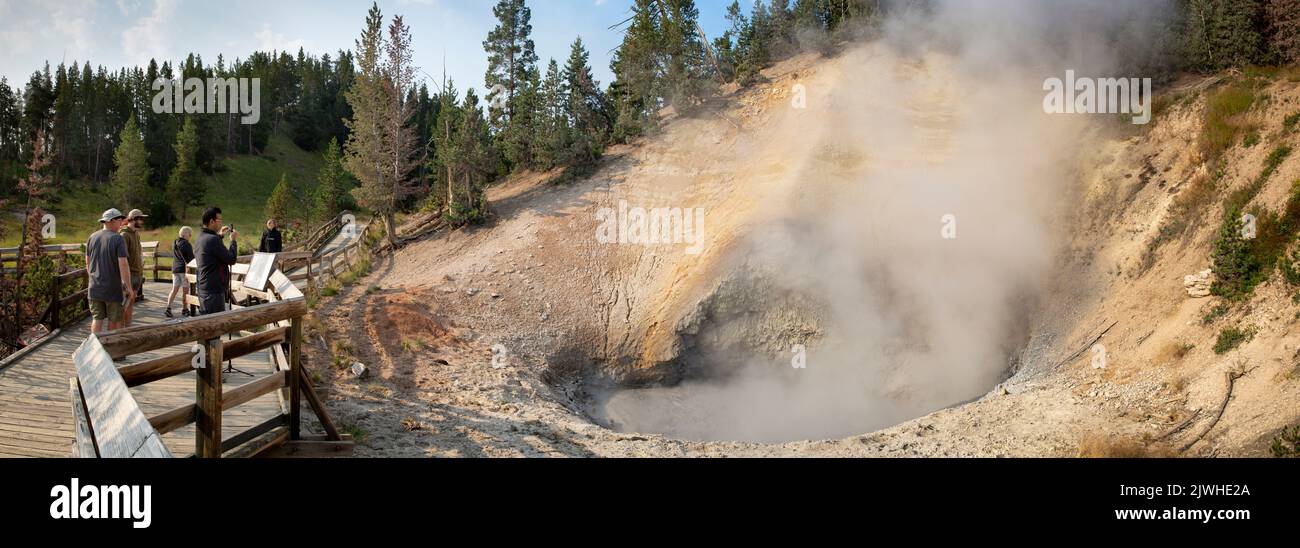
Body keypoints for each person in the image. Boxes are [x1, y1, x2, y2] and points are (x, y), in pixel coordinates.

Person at [86, 209, 133, 334]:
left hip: (94, 287)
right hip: (112, 289)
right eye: (119, 220)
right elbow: (123, 264)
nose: (122, 223)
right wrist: (128, 287)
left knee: (97, 319)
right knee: (114, 320)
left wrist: (93, 279)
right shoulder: (117, 239)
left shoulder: (92, 237)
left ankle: (95, 349)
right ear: (111, 221)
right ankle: (109, 350)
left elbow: (88, 263)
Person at [194, 207, 238, 316]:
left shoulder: (201, 237)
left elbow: (212, 251)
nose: (221, 223)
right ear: (211, 221)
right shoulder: (213, 239)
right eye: (219, 220)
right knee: (215, 326)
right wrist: (233, 241)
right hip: (214, 291)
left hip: (204, 287)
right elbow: (231, 259)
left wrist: (220, 235)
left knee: (207, 324)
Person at [119, 209, 147, 326]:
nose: (142, 221)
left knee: (131, 304)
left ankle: (127, 329)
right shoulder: (124, 235)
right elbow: (121, 258)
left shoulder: (136, 233)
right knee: (123, 305)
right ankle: (118, 332)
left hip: (137, 274)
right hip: (128, 275)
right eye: (140, 219)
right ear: (134, 219)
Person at [165, 226, 195, 318]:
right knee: (185, 290)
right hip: (184, 270)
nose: (190, 237)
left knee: (174, 289)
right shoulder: (187, 244)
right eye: (190, 235)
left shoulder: (174, 242)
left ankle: (168, 308)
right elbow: (191, 260)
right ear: (186, 234)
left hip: (175, 269)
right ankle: (185, 309)